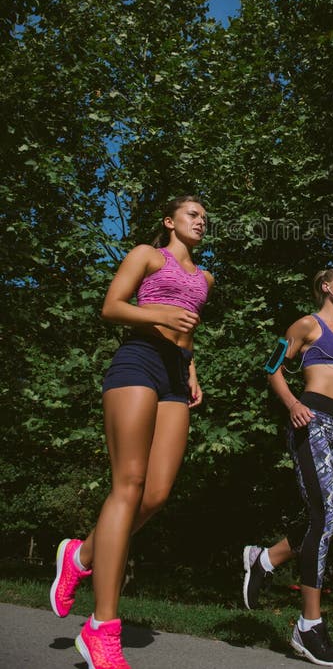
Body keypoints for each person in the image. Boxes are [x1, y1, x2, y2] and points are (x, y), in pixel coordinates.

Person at [50, 195, 213, 669]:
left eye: (205, 218)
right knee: (129, 483)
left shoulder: (205, 278)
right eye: (193, 214)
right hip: (138, 361)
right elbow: (111, 307)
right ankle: (101, 628)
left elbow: (188, 330)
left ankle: (81, 555)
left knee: (156, 494)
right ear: (170, 221)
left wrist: (192, 369)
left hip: (175, 376)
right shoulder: (147, 255)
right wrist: (159, 315)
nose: (201, 222)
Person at [243, 265, 333, 669]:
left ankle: (265, 560)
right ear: (326, 286)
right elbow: (272, 366)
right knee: (322, 516)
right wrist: (292, 404)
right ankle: (309, 625)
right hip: (311, 421)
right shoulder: (307, 325)